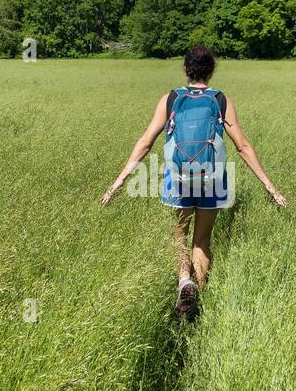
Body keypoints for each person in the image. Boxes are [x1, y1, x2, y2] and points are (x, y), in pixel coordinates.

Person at [100, 44, 286, 318]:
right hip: (212, 179)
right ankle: (194, 300)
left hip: (178, 179)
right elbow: (243, 147)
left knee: (179, 238)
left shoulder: (171, 99)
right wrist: (271, 188)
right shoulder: (221, 99)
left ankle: (183, 281)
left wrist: (116, 184)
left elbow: (145, 143)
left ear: (186, 69)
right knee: (202, 241)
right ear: (211, 71)